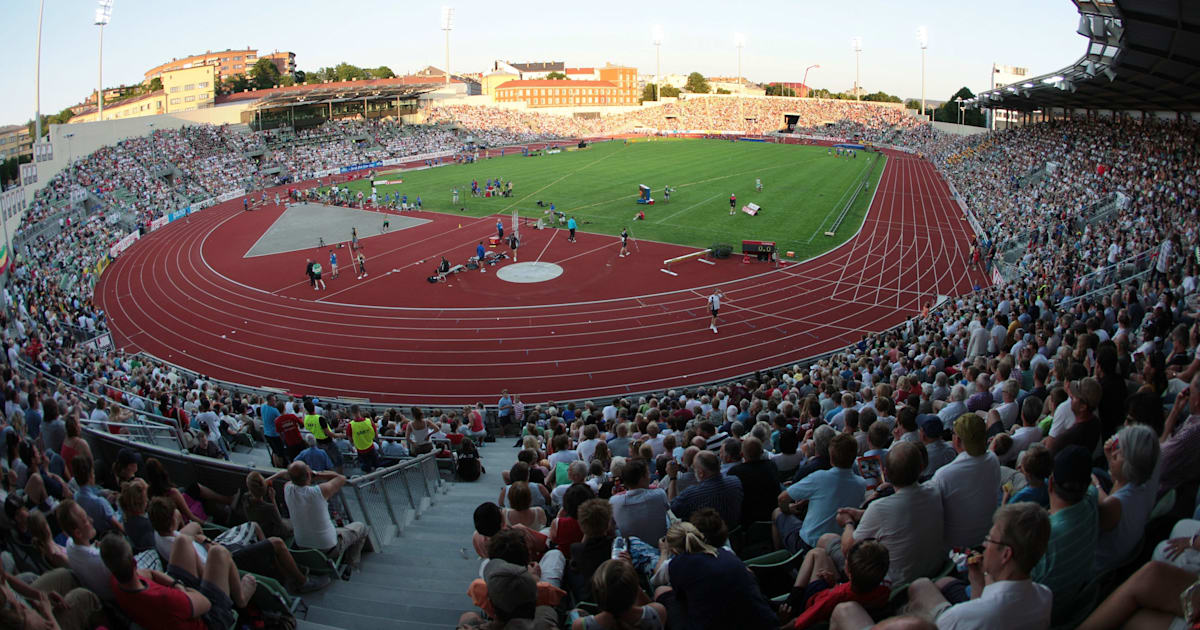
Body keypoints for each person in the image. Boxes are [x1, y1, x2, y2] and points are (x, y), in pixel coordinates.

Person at [903, 502, 1053, 630]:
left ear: (1006, 555)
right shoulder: (1044, 597)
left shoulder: (958, 618)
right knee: (945, 582)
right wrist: (977, 580)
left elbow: (978, 612)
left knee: (920, 585)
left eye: (990, 539)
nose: (984, 544)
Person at [815, 441, 946, 585]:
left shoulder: (879, 508)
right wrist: (861, 514)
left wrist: (848, 523)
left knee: (826, 539)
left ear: (885, 473)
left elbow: (848, 549)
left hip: (895, 585)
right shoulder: (934, 490)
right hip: (935, 572)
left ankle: (837, 587)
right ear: (922, 467)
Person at [101, 532, 254, 630]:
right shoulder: (166, 600)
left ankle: (211, 579)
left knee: (182, 540)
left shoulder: (115, 582)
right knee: (218, 552)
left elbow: (151, 573)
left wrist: (176, 584)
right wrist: (182, 592)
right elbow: (206, 603)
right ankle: (241, 600)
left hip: (182, 597)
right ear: (134, 562)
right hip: (208, 619)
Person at [652, 522, 775, 630]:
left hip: (714, 623)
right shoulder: (726, 551)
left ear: (674, 551)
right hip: (761, 620)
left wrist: (664, 552)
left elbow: (656, 579)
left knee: (661, 590)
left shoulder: (674, 564)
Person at [1030, 445, 1098, 625]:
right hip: (1068, 606)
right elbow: (1093, 487)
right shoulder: (1091, 503)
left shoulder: (1042, 540)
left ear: (1051, 482)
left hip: (1039, 618)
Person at [774, 433, 868, 553]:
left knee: (777, 512)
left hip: (807, 545)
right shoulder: (862, 484)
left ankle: (781, 554)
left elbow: (782, 499)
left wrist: (787, 510)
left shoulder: (819, 477)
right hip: (835, 547)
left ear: (831, 458)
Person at [776, 540, 890, 630]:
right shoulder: (884, 591)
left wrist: (783, 622)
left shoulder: (834, 598)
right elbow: (855, 594)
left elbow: (798, 623)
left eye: (846, 560)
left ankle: (791, 602)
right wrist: (836, 585)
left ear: (848, 571)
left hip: (813, 602)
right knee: (819, 553)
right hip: (835, 590)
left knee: (817, 553)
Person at [278, 461, 371, 568]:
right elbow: (341, 478)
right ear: (308, 474)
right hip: (329, 549)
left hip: (302, 547)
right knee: (361, 527)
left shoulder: (287, 488)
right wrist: (317, 474)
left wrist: (302, 474)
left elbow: (291, 478)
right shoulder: (319, 492)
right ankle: (352, 564)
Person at [930, 413, 1001, 550]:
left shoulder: (943, 476)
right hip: (986, 538)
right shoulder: (993, 459)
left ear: (957, 440)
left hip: (956, 550)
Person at [572, 559, 667, 630]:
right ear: (635, 590)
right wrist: (634, 582)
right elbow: (649, 606)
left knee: (575, 612)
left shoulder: (581, 626)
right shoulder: (658, 612)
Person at [667, 450, 743, 529]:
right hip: (734, 532)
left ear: (701, 473)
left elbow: (673, 508)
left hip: (704, 535)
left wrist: (672, 478)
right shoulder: (735, 481)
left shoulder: (691, 494)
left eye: (694, 468)